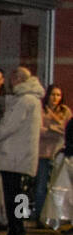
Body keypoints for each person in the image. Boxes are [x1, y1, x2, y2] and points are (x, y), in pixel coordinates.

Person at [0, 66, 43, 235]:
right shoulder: (34, 100)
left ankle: (16, 231)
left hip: (13, 156)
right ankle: (20, 229)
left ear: (18, 79)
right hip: (25, 156)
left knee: (12, 195)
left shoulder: (23, 101)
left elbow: (8, 125)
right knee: (22, 196)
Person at [34, 84, 70, 220]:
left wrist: (51, 127)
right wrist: (56, 130)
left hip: (59, 152)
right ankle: (40, 216)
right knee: (41, 186)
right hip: (43, 152)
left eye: (58, 95)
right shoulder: (41, 111)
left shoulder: (65, 111)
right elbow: (39, 130)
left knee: (57, 186)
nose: (55, 98)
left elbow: (66, 130)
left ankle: (56, 216)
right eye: (53, 94)